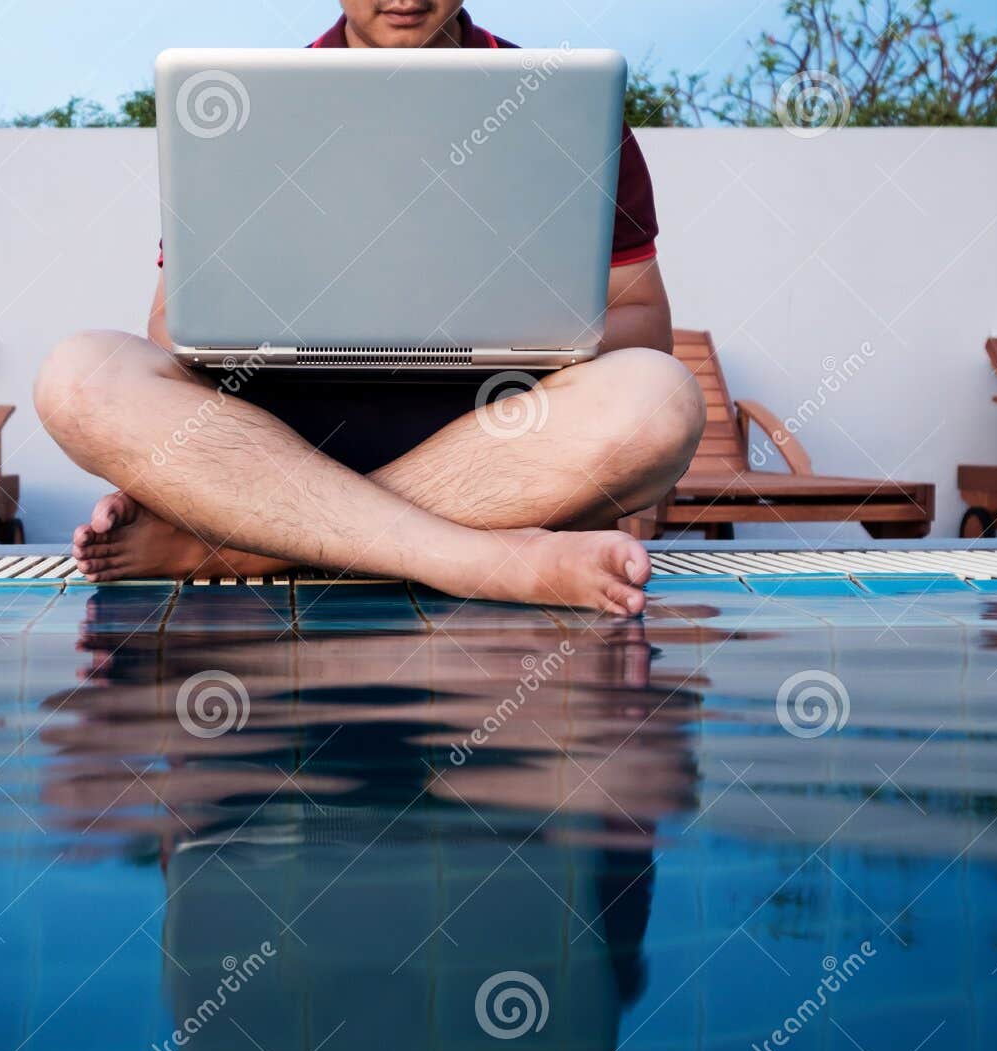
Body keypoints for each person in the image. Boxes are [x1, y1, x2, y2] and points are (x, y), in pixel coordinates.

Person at [35, 1, 704, 616]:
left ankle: (242, 545)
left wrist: (496, 322)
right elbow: (171, 325)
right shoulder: (248, 105)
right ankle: (486, 561)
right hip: (270, 437)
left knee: (660, 399)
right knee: (79, 376)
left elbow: (644, 320)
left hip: (498, 438)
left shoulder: (564, 102)